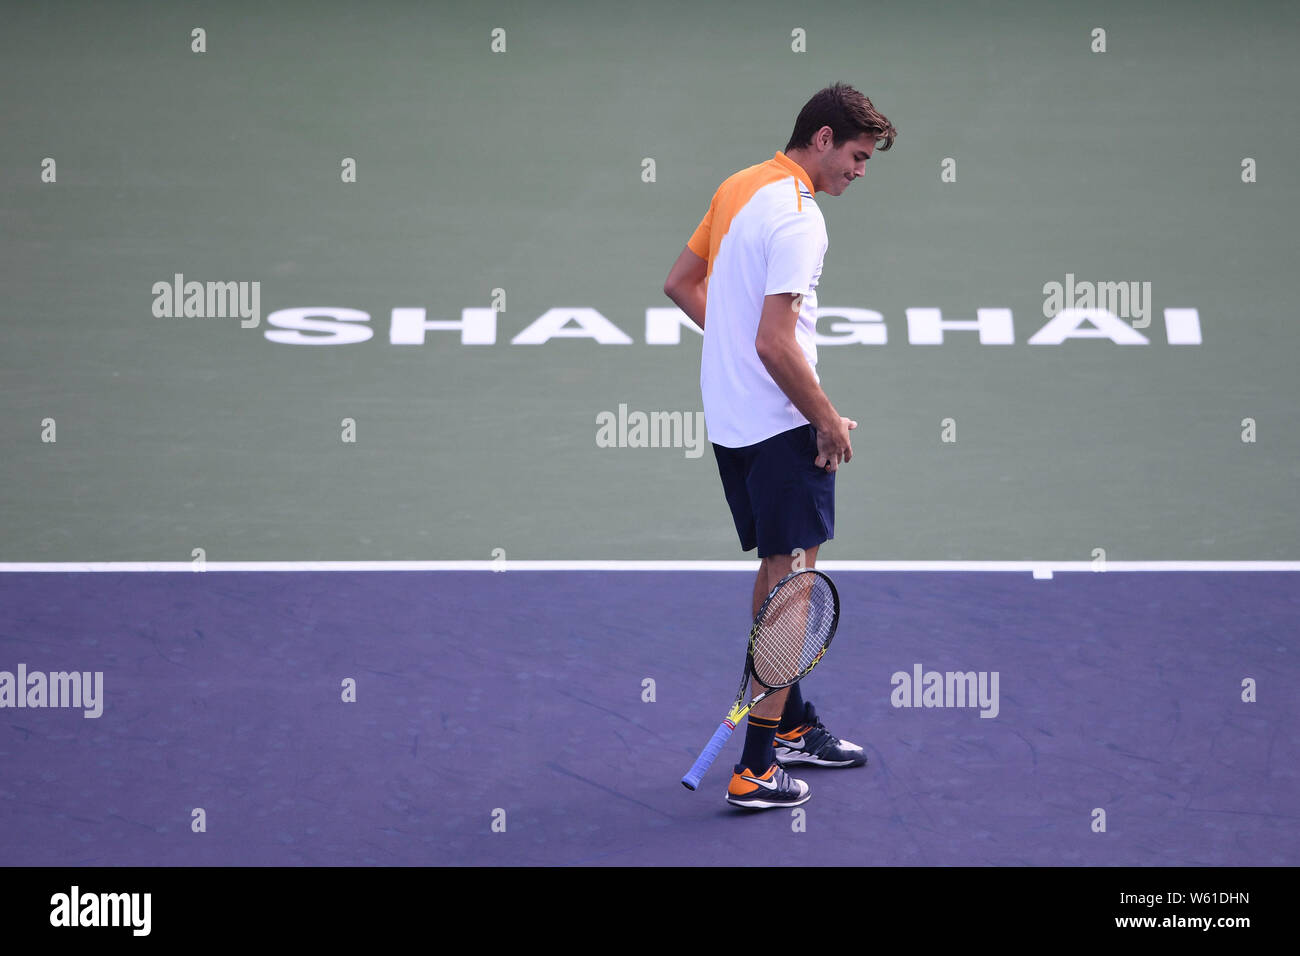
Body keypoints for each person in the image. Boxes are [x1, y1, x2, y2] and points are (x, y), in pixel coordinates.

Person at [663, 83, 896, 809]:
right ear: (822, 138)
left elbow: (681, 284)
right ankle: (756, 769)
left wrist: (735, 353)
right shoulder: (801, 221)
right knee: (794, 587)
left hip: (733, 423)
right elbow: (774, 341)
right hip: (781, 425)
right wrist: (823, 417)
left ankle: (789, 724)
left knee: (776, 579)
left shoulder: (740, 184)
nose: (860, 171)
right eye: (857, 156)